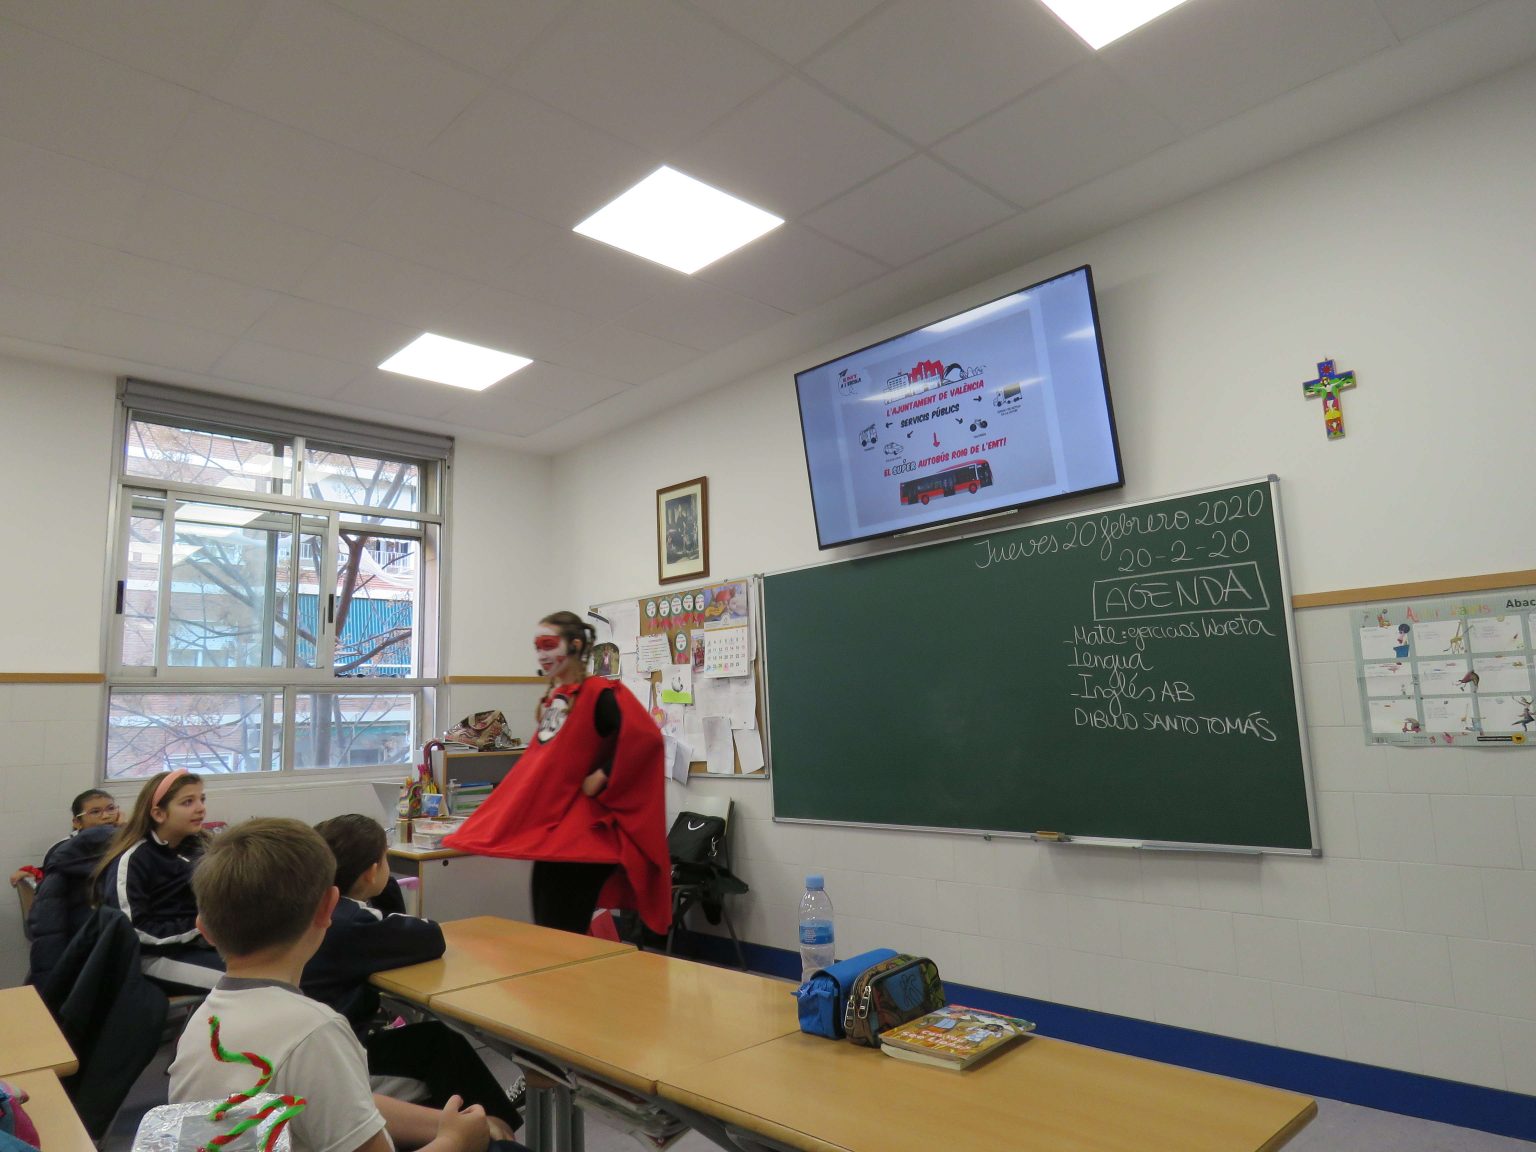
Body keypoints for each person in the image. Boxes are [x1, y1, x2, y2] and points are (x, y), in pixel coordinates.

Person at [169, 818, 514, 1152]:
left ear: (205, 928)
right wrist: (455, 1142)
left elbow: (344, 1104)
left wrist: (441, 1125)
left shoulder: (199, 1025)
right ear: (327, 909)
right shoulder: (315, 1032)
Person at [445, 611, 669, 937]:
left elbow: (646, 738)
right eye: (537, 646)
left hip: (584, 833)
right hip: (561, 829)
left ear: (575, 645)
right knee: (551, 923)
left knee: (561, 930)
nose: (541, 653)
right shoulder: (558, 698)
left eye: (549, 644)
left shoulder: (598, 694)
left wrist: (604, 774)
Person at [302, 815, 523, 1131]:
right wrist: (387, 889)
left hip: (319, 1040)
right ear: (371, 872)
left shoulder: (313, 906)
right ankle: (496, 1130)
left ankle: (486, 1123)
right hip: (336, 1058)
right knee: (442, 1049)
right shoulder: (353, 923)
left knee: (436, 1041)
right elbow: (429, 936)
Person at [92, 769, 223, 990]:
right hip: (153, 956)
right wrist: (205, 928)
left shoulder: (200, 845)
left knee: (291, 967)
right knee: (250, 985)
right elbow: (135, 932)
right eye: (188, 802)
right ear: (159, 814)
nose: (200, 808)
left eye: (202, 799)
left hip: (204, 942)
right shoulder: (133, 860)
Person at [9, 789, 121, 888]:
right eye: (95, 812)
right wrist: (35, 873)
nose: (106, 816)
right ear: (77, 822)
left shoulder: (125, 841)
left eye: (111, 809)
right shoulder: (64, 849)